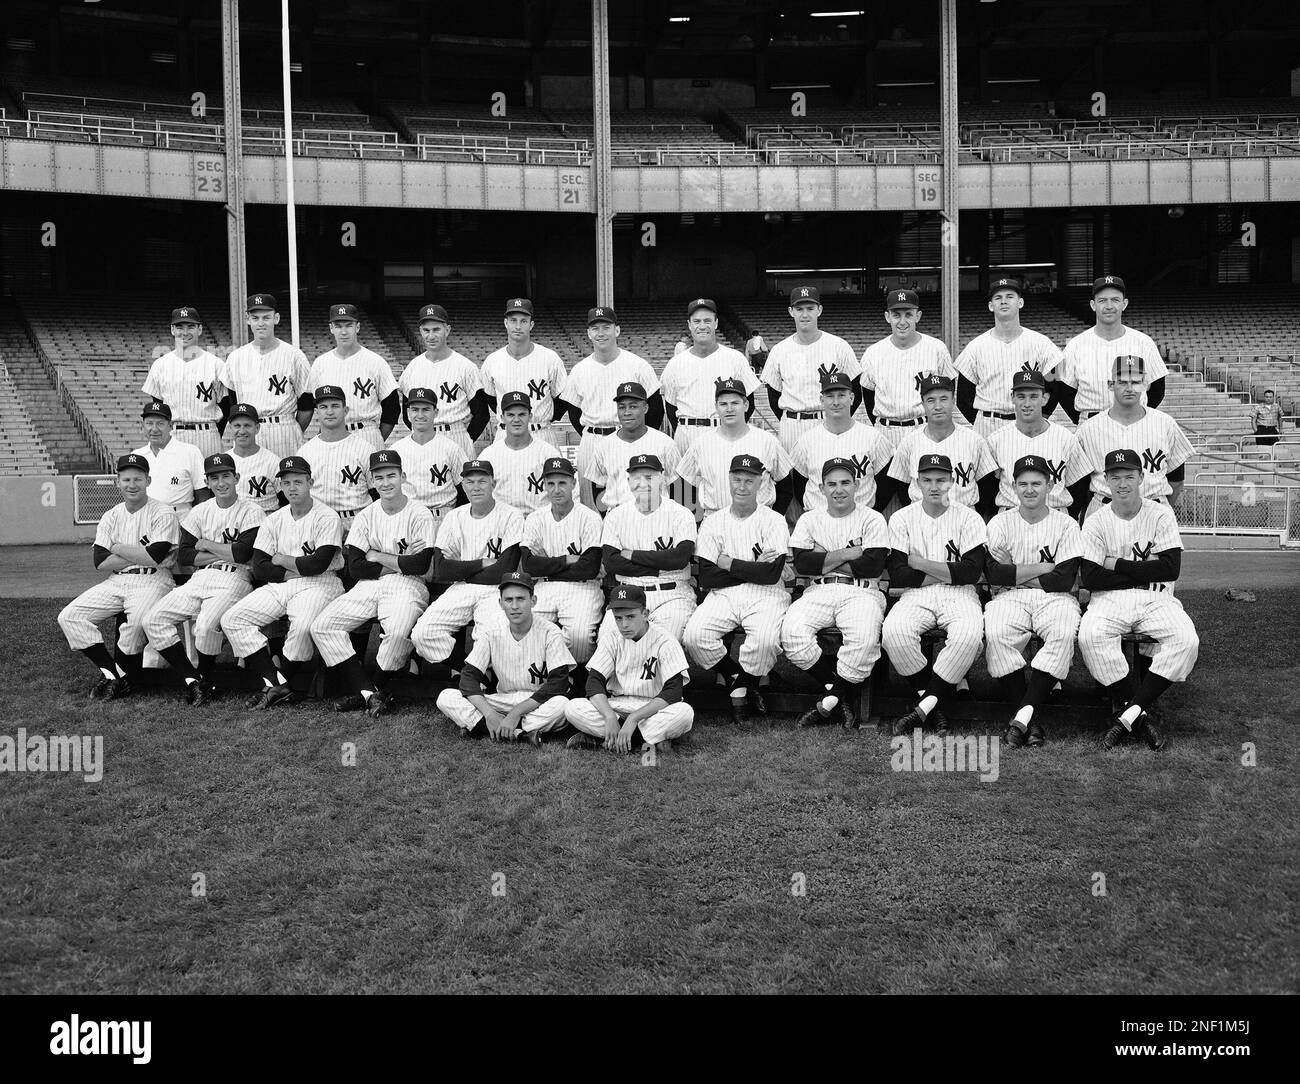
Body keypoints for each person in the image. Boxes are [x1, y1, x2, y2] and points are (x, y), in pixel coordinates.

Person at [1078, 449, 1199, 751]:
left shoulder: (1160, 513)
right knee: (1090, 637)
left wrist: (1115, 564)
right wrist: (1146, 572)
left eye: (1129, 476)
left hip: (1155, 598)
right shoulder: (1095, 521)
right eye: (1115, 477)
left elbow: (1170, 569)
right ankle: (1139, 715)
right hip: (1109, 600)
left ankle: (1129, 711)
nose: (1122, 483)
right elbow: (1092, 578)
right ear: (1105, 481)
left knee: (1186, 640)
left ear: (1142, 478)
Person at [310, 450, 436, 717]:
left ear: (402, 476)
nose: (386, 482)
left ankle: (370, 689)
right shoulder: (366, 515)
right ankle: (370, 693)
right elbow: (355, 567)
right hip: (368, 585)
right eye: (379, 477)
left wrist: (377, 555)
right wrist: (400, 560)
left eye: (391, 475)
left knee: (399, 632)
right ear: (372, 481)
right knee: (322, 626)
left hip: (408, 585)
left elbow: (420, 565)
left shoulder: (420, 513)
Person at [219, 456, 344, 709]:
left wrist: (282, 558)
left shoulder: (327, 516)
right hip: (282, 584)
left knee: (303, 626)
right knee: (232, 619)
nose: (292, 488)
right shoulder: (273, 519)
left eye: (298, 481)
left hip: (321, 584)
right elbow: (261, 567)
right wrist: (294, 569)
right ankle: (276, 682)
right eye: (286, 483)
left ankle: (276, 686)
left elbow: (318, 565)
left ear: (310, 482)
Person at [141, 452, 266, 705]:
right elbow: (186, 555)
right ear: (207, 482)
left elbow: (242, 554)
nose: (221, 483)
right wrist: (224, 552)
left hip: (236, 578)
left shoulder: (252, 510)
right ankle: (194, 680)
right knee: (153, 619)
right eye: (214, 478)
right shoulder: (200, 511)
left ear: (236, 477)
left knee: (206, 625)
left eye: (226, 476)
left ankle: (205, 676)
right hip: (200, 579)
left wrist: (206, 544)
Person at [882, 454, 989, 736]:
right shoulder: (902, 517)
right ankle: (934, 704)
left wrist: (919, 563)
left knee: (968, 636)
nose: (934, 486)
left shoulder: (969, 517)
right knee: (894, 632)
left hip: (961, 595)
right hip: (915, 595)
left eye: (941, 479)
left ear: (952, 482)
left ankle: (925, 705)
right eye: (927, 480)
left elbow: (970, 573)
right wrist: (947, 570)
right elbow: (899, 575)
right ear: (917, 482)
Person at [57, 453, 179, 700]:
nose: (131, 485)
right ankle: (114, 675)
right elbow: (100, 562)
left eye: (137, 479)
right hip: (117, 580)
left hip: (153, 579)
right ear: (117, 482)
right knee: (70, 617)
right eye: (126, 479)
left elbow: (155, 558)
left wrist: (119, 547)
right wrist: (141, 553)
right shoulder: (111, 515)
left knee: (135, 625)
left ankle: (118, 679)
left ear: (148, 480)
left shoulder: (163, 512)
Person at [983, 455, 1084, 748]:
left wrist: (1014, 571)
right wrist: (1043, 568)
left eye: (1037, 483)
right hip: (1009, 597)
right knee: (999, 633)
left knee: (1063, 632)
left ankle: (1021, 716)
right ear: (1013, 487)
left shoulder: (1066, 524)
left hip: (1056, 598)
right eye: (1023, 484)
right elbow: (993, 574)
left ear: (1050, 485)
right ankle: (1030, 717)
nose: (1030, 490)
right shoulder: (1000, 522)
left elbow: (1064, 579)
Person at [782, 457, 890, 729]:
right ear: (821, 488)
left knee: (864, 639)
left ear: (856, 485)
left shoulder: (872, 518)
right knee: (791, 633)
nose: (838, 489)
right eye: (832, 484)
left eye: (845, 483)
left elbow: (872, 565)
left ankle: (829, 701)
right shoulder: (809, 519)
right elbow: (804, 565)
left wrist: (824, 557)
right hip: (818, 591)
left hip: (861, 592)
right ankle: (840, 691)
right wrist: (848, 554)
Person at [684, 455, 791, 724]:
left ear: (761, 483)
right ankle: (743, 681)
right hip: (724, 594)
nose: (742, 486)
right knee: (695, 636)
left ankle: (741, 686)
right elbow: (708, 576)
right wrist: (753, 569)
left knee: (765, 640)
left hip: (767, 595)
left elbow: (771, 574)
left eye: (749, 480)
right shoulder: (713, 521)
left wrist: (728, 563)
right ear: (729, 480)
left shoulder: (774, 520)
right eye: (737, 479)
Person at [434, 571, 575, 745]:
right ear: (500, 603)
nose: (514, 606)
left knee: (562, 705)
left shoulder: (550, 631)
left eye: (521, 599)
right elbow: (468, 678)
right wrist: (489, 714)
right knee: (446, 697)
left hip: (537, 702)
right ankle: (520, 733)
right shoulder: (492, 629)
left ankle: (482, 728)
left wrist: (516, 713)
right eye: (509, 600)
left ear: (533, 601)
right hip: (502, 700)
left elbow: (558, 684)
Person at [410, 459, 524, 669]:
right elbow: (442, 569)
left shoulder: (511, 515)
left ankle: (485, 678)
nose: (476, 487)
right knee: (423, 633)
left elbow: (503, 571)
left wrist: (461, 571)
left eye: (482, 481)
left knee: (492, 635)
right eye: (470, 482)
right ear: (463, 486)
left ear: (493, 484)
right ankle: (467, 672)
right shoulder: (455, 516)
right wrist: (481, 563)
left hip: (496, 590)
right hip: (461, 589)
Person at [564, 585, 695, 755]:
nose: (624, 625)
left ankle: (609, 739)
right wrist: (609, 716)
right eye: (618, 618)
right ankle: (646, 740)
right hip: (618, 707)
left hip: (653, 709)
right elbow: (594, 682)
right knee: (573, 707)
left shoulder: (665, 640)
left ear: (645, 614)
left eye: (630, 617)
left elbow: (673, 692)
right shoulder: (611, 638)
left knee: (684, 713)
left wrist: (633, 719)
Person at [1075, 357, 1193, 519]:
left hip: (1154, 509)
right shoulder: (1089, 428)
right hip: (1103, 511)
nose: (1129, 388)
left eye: (1136, 382)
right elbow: (1077, 486)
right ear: (1111, 384)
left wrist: (1154, 507)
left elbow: (1176, 480)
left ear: (1146, 384)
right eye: (1122, 382)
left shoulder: (1165, 423)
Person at [520, 457, 604, 683]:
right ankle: (547, 677)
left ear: (573, 484)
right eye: (551, 484)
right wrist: (567, 559)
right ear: (544, 485)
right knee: (526, 625)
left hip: (583, 587)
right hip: (546, 586)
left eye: (562, 483)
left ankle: (576, 676)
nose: (556, 490)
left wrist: (548, 565)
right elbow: (529, 565)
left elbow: (589, 568)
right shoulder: (536, 519)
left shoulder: (589, 517)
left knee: (580, 636)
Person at [599, 454, 697, 641]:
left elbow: (679, 559)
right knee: (608, 640)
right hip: (627, 594)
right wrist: (661, 563)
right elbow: (612, 563)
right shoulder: (616, 516)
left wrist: (632, 555)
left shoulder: (681, 514)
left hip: (672, 596)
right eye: (636, 478)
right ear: (628, 481)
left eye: (649, 477)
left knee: (664, 643)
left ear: (662, 478)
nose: (642, 483)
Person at [562, 306, 662, 481]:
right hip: (592, 440)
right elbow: (573, 413)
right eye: (595, 328)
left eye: (606, 327)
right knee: (590, 503)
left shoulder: (638, 365)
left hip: (630, 438)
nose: (601, 333)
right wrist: (592, 433)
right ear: (588, 333)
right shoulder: (579, 370)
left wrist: (640, 437)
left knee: (632, 498)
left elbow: (655, 409)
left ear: (617, 330)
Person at [955, 277, 1064, 437]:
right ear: (991, 306)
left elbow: (1054, 386)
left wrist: (1043, 416)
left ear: (1020, 302)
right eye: (998, 298)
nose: (1003, 301)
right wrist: (981, 419)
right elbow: (964, 397)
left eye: (1009, 296)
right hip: (988, 424)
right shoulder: (975, 347)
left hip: (1029, 424)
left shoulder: (1041, 344)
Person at [760, 285, 861, 454]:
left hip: (828, 422)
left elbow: (855, 390)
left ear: (819, 310)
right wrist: (790, 418)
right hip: (793, 425)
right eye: (799, 309)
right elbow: (773, 396)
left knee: (831, 475)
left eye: (810, 308)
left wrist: (838, 419)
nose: (805, 314)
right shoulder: (779, 350)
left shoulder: (838, 346)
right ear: (791, 311)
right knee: (794, 479)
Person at [675, 378, 792, 519]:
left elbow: (786, 487)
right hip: (715, 521)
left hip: (758, 521)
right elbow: (684, 487)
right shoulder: (701, 444)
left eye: (735, 403)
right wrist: (698, 522)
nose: (729, 409)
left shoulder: (767, 441)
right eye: (723, 404)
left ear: (746, 405)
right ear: (716, 407)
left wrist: (773, 519)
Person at [1056, 275, 1168, 424]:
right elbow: (1064, 390)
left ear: (1124, 303)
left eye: (1115, 300)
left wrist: (1137, 415)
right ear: (1093, 305)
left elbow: (1157, 388)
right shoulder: (1076, 345)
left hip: (1134, 422)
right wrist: (1084, 420)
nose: (1109, 306)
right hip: (1091, 422)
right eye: (1102, 300)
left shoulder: (1143, 342)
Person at [857, 288, 955, 451]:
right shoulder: (873, 353)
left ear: (918, 315)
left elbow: (949, 393)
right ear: (888, 317)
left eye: (908, 314)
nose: (902, 321)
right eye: (896, 315)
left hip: (924, 429)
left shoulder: (937, 349)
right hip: (885, 433)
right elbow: (868, 397)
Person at [217, 293, 314, 458]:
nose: (260, 323)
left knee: (286, 481)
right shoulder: (236, 357)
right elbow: (233, 404)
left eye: (266, 317)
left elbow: (306, 404)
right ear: (248, 320)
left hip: (283, 428)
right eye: (255, 318)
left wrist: (292, 429)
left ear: (276, 318)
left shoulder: (294, 356)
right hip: (249, 430)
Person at [659, 298, 759, 453]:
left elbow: (749, 403)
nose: (702, 326)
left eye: (707, 320)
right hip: (687, 432)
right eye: (697, 321)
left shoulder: (735, 358)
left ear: (716, 323)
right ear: (689, 324)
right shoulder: (676, 363)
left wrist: (731, 430)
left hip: (723, 430)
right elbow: (671, 407)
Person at [987, 370, 1093, 515]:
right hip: (1010, 518)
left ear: (1045, 398)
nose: (1027, 403)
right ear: (1012, 398)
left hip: (1056, 517)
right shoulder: (996, 440)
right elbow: (988, 489)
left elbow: (1078, 487)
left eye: (1034, 397)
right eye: (1021, 397)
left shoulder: (1065, 438)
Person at [887, 375, 998, 514]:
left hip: (965, 518)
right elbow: (901, 485)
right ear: (923, 404)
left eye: (944, 399)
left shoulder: (974, 440)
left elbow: (987, 485)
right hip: (921, 519)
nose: (938, 406)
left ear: (953, 401)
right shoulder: (909, 442)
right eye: (931, 400)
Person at [790, 370, 894, 515]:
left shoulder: (874, 438)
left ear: (851, 398)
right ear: (821, 400)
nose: (836, 402)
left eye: (842, 395)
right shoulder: (806, 441)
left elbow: (886, 485)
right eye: (830, 396)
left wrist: (869, 514)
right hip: (818, 521)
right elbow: (799, 485)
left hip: (862, 519)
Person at [398, 303, 488, 459]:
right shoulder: (411, 369)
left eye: (436, 330)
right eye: (426, 330)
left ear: (447, 330)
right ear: (420, 331)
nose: (431, 336)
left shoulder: (466, 367)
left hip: (455, 434)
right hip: (423, 438)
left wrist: (466, 438)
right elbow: (407, 415)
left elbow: (482, 414)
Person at [308, 303, 400, 450]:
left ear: (357, 327)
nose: (344, 331)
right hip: (331, 434)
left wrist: (376, 437)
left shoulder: (375, 362)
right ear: (331, 328)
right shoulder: (320, 363)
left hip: (365, 431)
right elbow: (311, 404)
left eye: (348, 325)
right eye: (338, 326)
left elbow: (392, 408)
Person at [480, 298, 571, 446]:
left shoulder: (550, 358)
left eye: (523, 321)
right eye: (513, 320)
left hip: (541, 433)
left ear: (531, 325)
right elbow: (491, 399)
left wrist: (542, 418)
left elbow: (561, 401)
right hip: (505, 435)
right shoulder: (492, 361)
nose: (517, 326)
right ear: (506, 323)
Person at [141, 305, 226, 457]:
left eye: (190, 327)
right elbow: (158, 409)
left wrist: (212, 429)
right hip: (174, 435)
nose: (185, 332)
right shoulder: (160, 365)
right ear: (172, 330)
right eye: (180, 327)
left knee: (210, 479)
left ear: (199, 329)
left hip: (207, 434)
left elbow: (226, 407)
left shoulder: (216, 364)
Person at [295, 385, 375, 537]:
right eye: (323, 407)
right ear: (316, 412)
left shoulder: (365, 449)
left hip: (358, 524)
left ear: (345, 410)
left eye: (335, 406)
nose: (330, 412)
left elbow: (377, 495)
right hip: (319, 525)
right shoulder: (305, 452)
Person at [586, 382, 681, 511]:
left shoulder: (665, 443)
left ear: (645, 408)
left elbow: (677, 487)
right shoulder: (604, 445)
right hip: (617, 516)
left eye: (633, 406)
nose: (627, 412)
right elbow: (597, 487)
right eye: (621, 407)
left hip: (656, 516)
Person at [387, 386, 467, 527]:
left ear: (436, 412)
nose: (420, 415)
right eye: (415, 409)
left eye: (426, 409)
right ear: (408, 412)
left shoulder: (452, 448)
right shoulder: (396, 451)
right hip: (408, 519)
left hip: (443, 519)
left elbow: (465, 492)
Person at [480, 391, 562, 515]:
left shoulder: (548, 453)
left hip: (539, 522)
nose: (516, 420)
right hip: (502, 522)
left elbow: (562, 494)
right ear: (502, 417)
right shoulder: (489, 455)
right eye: (511, 415)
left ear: (530, 416)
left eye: (522, 414)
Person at [131, 399, 209, 517]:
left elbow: (203, 493)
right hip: (144, 518)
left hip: (180, 518)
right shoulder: (137, 455)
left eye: (160, 423)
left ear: (171, 426)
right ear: (142, 426)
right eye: (149, 423)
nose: (154, 429)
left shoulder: (190, 452)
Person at [226, 403, 283, 513]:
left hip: (264, 522)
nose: (242, 431)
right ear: (230, 428)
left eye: (247, 425)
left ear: (257, 428)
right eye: (237, 425)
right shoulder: (224, 461)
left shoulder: (273, 462)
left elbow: (285, 502)